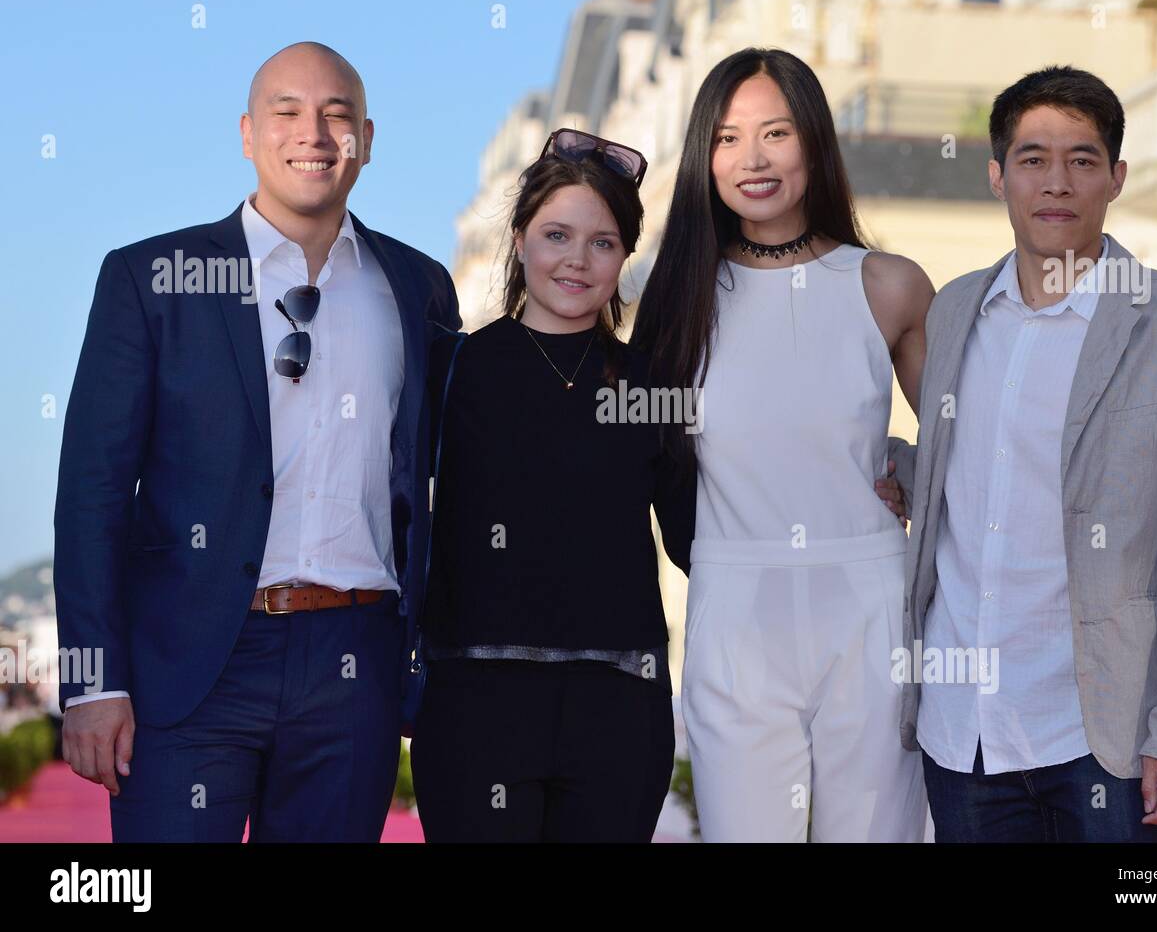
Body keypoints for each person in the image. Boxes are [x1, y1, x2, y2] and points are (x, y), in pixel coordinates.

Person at [53, 41, 460, 841]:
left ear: (366, 139)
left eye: (337, 115)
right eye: (288, 112)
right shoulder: (151, 278)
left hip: (356, 663)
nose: (314, 132)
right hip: (190, 668)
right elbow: (91, 492)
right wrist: (90, 682)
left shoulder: (418, 288)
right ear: (248, 133)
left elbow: (446, 473)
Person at [900, 65, 1157, 842]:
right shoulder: (957, 308)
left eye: (1083, 160)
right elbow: (969, 473)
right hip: (965, 736)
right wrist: (894, 469)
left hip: (1110, 741)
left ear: (1117, 178)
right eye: (1032, 159)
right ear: (998, 176)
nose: (1056, 182)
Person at [630, 48, 934, 842]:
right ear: (705, 154)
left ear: (816, 143)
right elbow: (641, 460)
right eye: (728, 139)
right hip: (733, 605)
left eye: (777, 133)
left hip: (871, 605)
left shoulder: (889, 285)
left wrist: (904, 460)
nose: (752, 160)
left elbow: (969, 450)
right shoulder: (676, 296)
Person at [410, 129, 696, 842]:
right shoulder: (450, 370)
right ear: (519, 240)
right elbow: (393, 514)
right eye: (557, 234)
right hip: (474, 705)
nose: (576, 259)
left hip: (620, 709)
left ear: (625, 256)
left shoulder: (651, 385)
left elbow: (699, 539)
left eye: (602, 242)